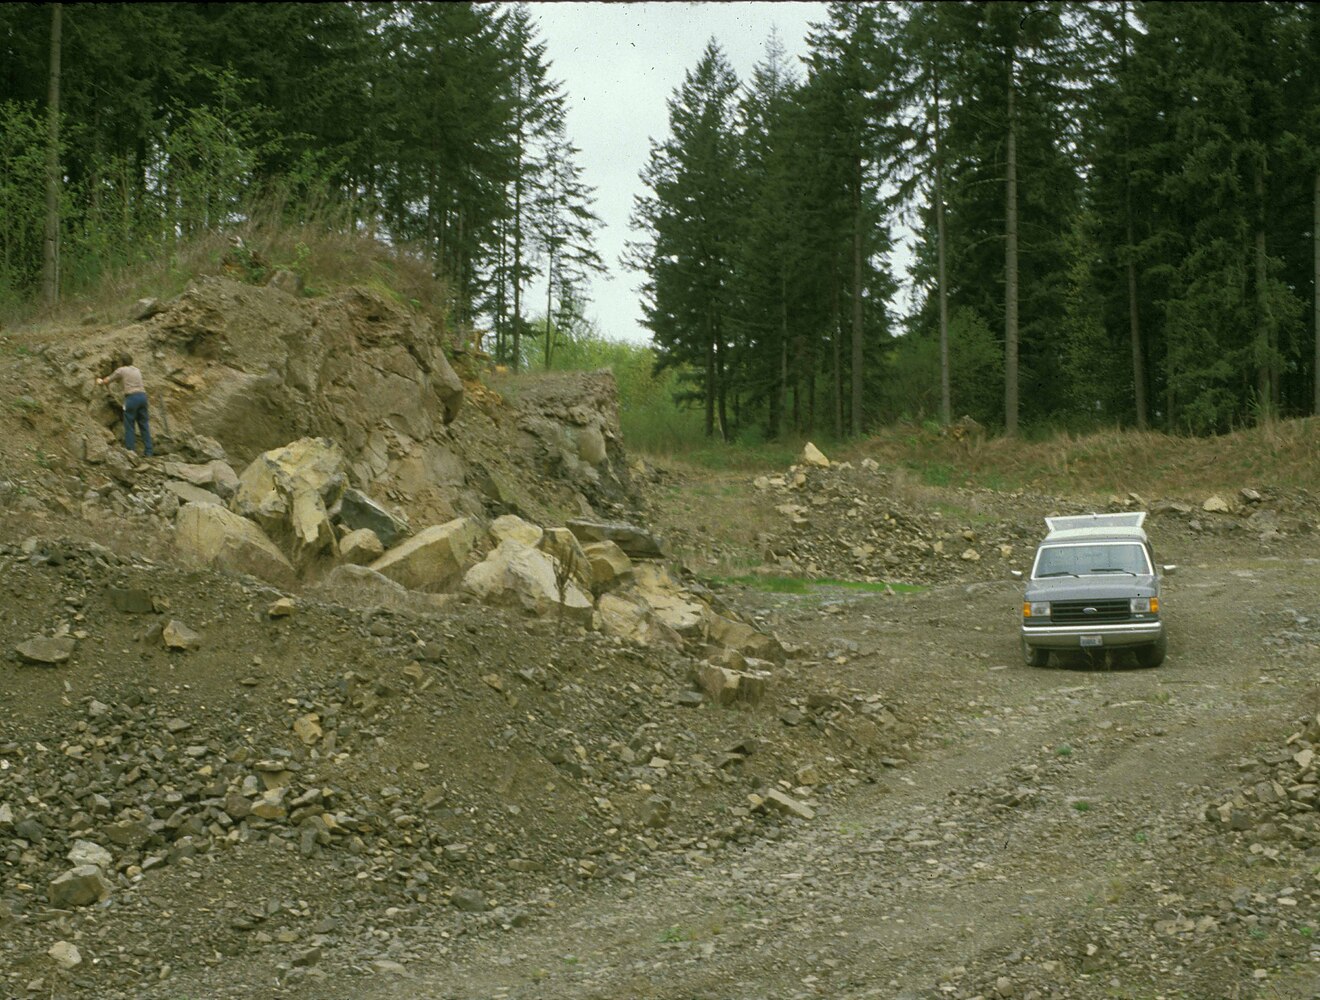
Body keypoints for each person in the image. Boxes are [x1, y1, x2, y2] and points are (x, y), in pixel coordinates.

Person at [96, 352, 154, 457]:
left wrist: (100, 381)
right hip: (142, 397)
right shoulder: (137, 370)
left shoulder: (121, 370)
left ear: (121, 362)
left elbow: (108, 380)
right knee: (144, 424)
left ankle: (130, 451)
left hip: (131, 399)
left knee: (129, 425)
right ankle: (149, 451)